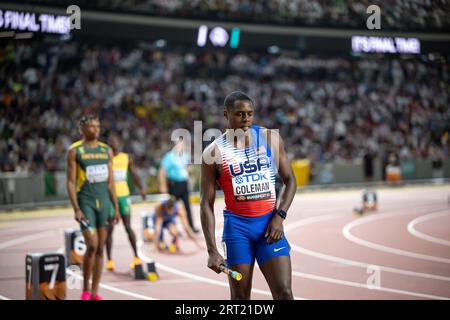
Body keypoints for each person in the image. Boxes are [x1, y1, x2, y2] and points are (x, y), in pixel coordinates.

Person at [200, 91, 297, 300]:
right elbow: (205, 204)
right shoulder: (213, 153)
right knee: (241, 298)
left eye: (250, 114)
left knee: (285, 293)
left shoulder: (270, 138)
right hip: (238, 231)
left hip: (269, 227)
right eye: (240, 114)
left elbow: (290, 180)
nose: (246, 119)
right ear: (226, 115)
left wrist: (280, 216)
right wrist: (212, 250)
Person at [66, 114, 119, 300]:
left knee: (100, 248)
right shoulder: (75, 150)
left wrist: (116, 208)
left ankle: (95, 292)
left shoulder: (106, 150)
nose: (95, 129)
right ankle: (85, 290)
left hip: (104, 203)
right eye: (91, 126)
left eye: (97, 126)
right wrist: (76, 209)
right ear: (82, 129)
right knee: (92, 244)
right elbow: (71, 182)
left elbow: (111, 183)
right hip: (86, 202)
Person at [105, 134, 147, 271]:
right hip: (110, 198)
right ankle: (109, 260)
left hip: (124, 196)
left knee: (128, 227)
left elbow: (133, 174)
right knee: (109, 229)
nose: (113, 143)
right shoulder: (106, 159)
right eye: (111, 142)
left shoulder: (126, 158)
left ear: (119, 143)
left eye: (115, 141)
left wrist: (141, 188)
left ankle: (136, 256)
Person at [159, 139, 199, 233]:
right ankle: (173, 228)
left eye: (182, 145)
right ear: (175, 145)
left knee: (187, 207)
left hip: (183, 184)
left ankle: (190, 227)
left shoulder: (185, 156)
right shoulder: (169, 157)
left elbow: (188, 168)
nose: (181, 146)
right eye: (179, 144)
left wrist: (189, 176)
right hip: (174, 185)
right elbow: (162, 171)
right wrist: (163, 185)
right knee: (172, 207)